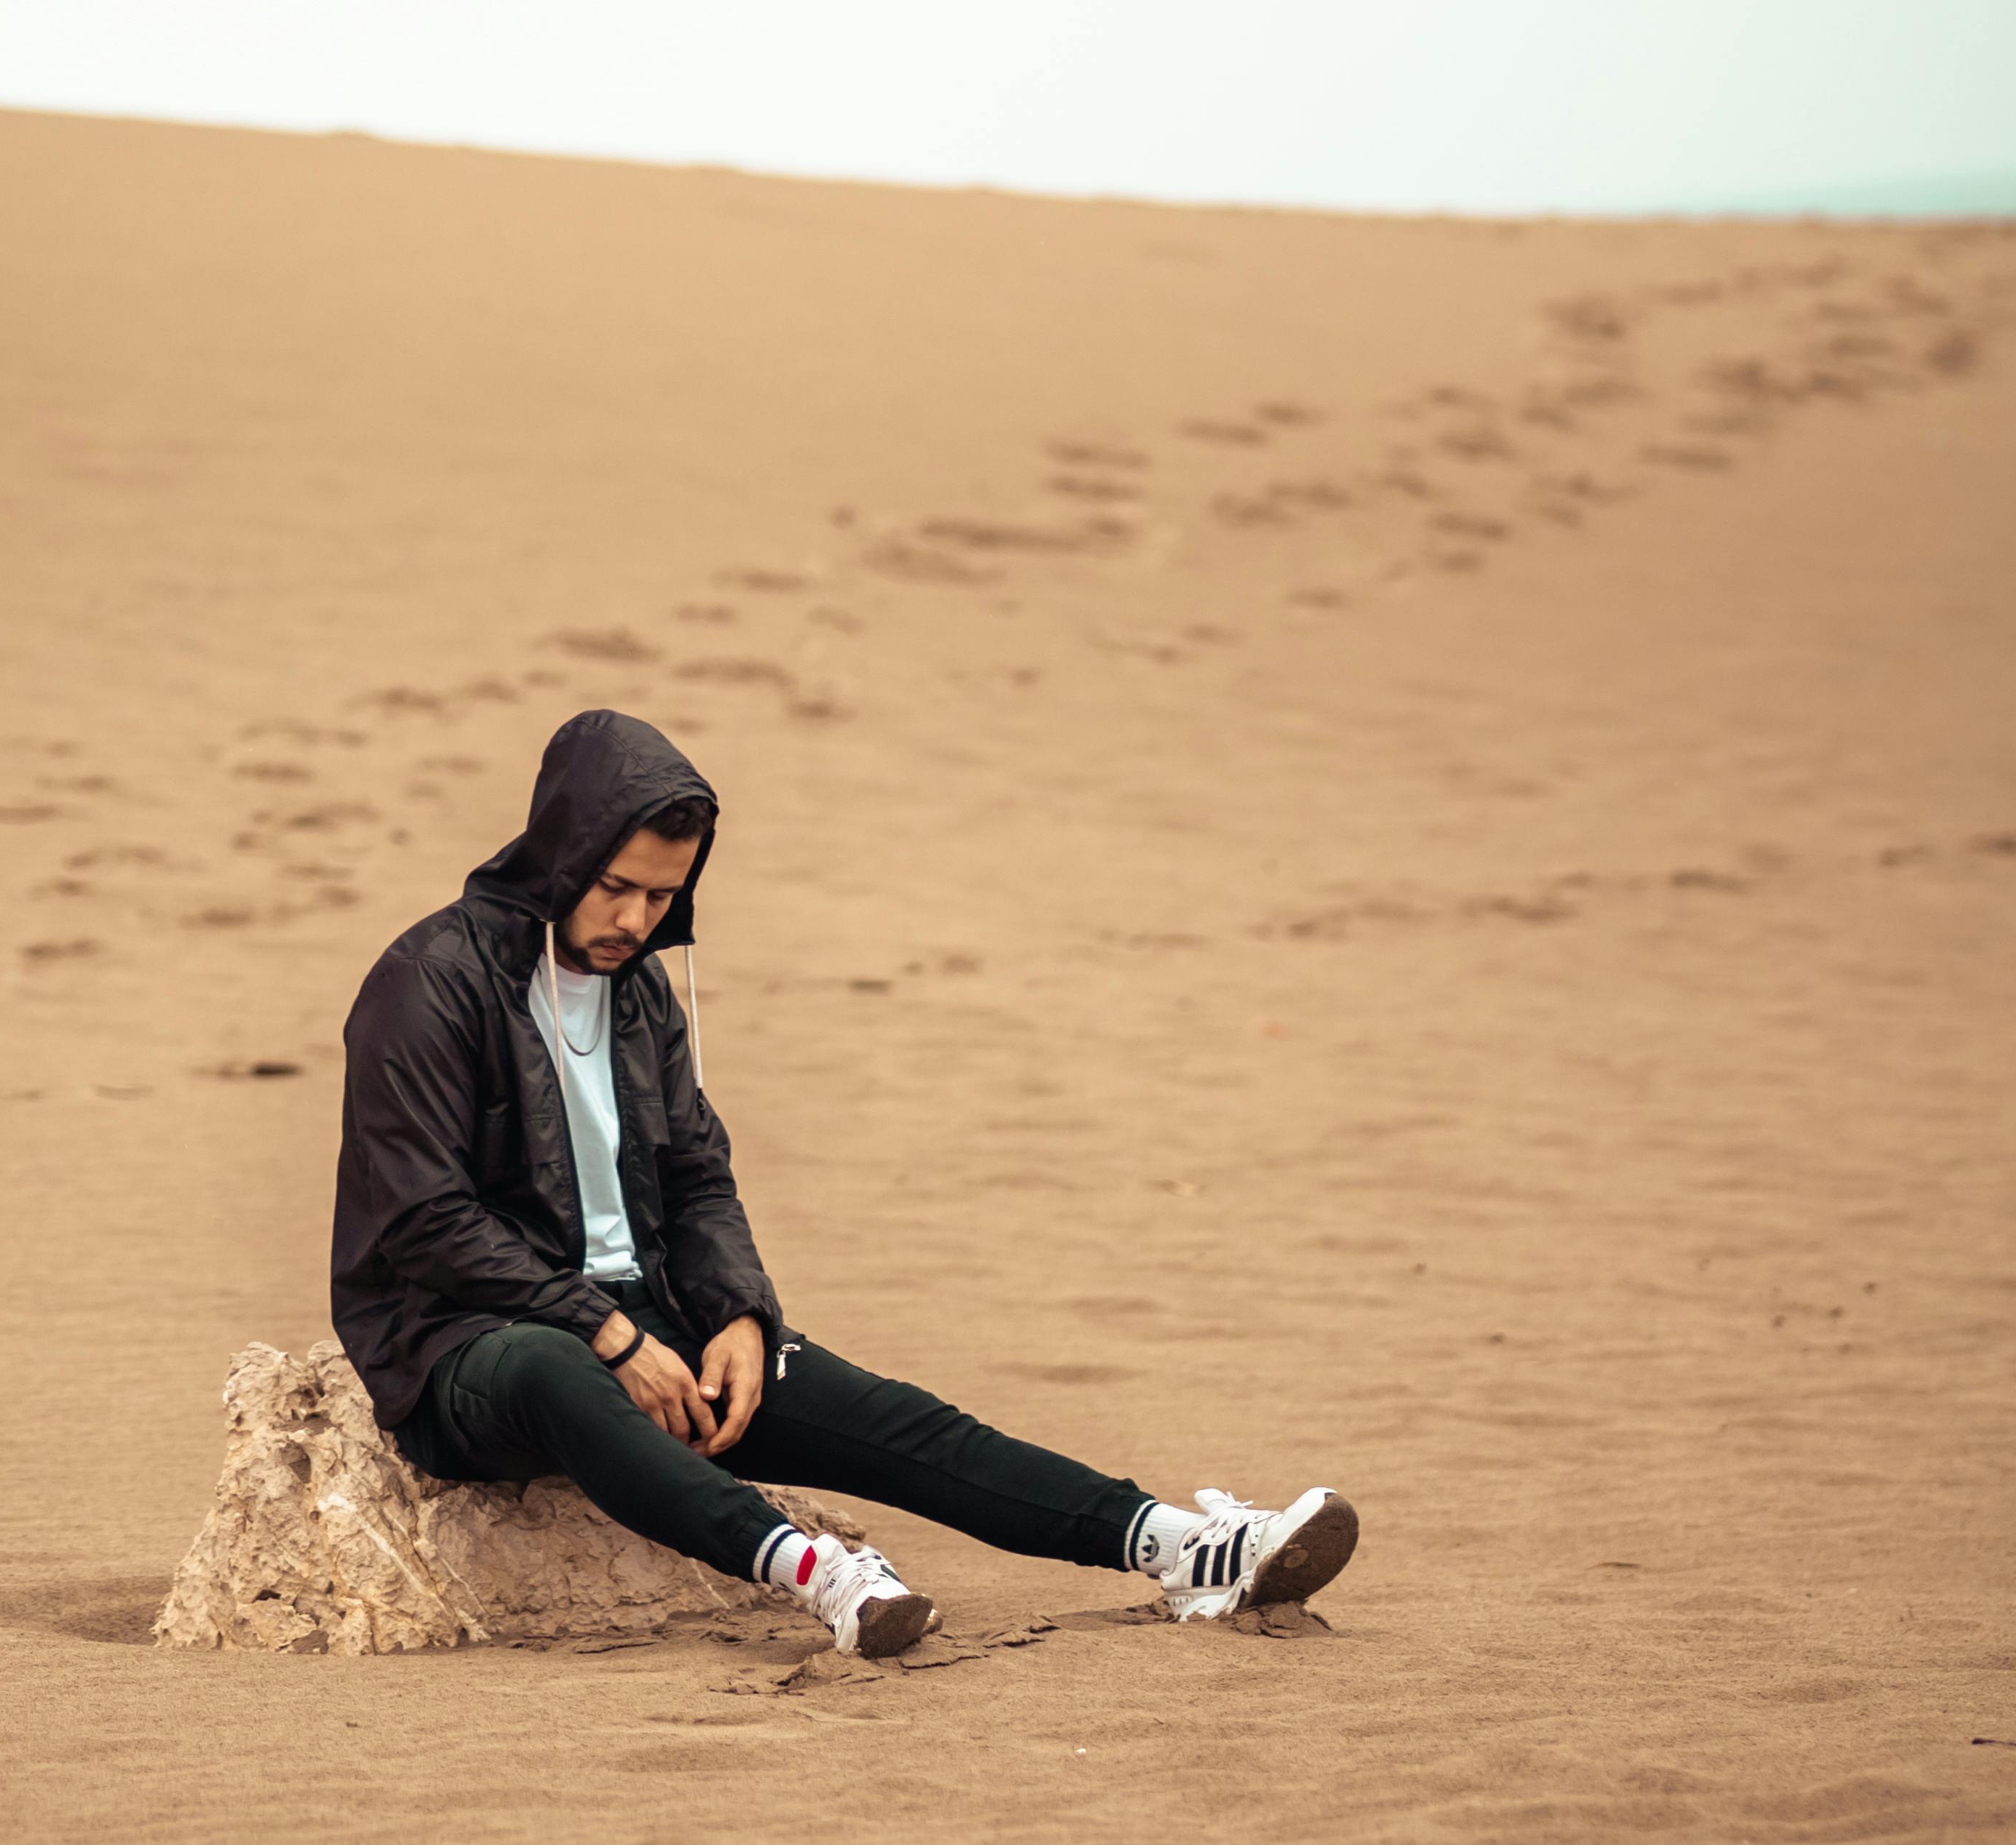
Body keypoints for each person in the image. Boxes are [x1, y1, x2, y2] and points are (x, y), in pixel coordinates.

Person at [330, 709, 1359, 1657]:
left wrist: (737, 1314)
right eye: (617, 887)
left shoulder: (639, 993)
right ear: (562, 850)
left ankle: (1181, 1548)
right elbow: (427, 1221)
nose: (638, 919)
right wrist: (610, 1337)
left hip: (647, 1318)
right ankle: (827, 1580)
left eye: (663, 894)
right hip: (458, 1343)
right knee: (556, 1370)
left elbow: (697, 1176)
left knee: (882, 1414)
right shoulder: (430, 982)